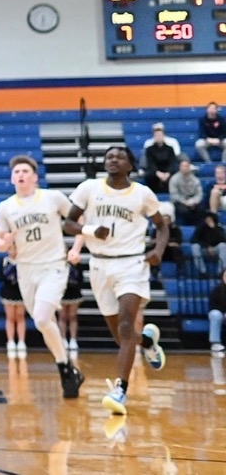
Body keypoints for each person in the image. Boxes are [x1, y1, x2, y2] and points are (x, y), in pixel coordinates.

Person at [65, 144, 171, 416]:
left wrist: (158, 250)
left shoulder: (142, 194)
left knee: (125, 327)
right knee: (119, 335)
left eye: (119, 156)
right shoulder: (89, 188)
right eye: (109, 156)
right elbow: (68, 223)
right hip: (100, 265)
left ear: (130, 165)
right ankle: (146, 342)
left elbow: (161, 224)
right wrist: (90, 230)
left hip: (132, 263)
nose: (113, 160)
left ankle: (120, 390)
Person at [140, 123, 180, 194]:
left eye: (160, 135)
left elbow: (172, 162)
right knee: (149, 176)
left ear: (163, 136)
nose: (158, 137)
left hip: (167, 169)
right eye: (156, 136)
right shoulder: (150, 149)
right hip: (155, 170)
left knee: (175, 175)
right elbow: (150, 162)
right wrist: (157, 173)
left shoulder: (170, 148)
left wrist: (168, 173)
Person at [0, 257, 24, 355]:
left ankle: (21, 342)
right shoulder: (4, 261)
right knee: (10, 317)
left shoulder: (24, 260)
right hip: (8, 291)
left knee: (20, 317)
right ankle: (10, 341)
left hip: (21, 291)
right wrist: (10, 275)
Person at [168, 159, 205, 226]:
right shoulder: (174, 179)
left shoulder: (195, 180)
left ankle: (197, 228)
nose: (184, 168)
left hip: (192, 200)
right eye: (182, 166)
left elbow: (199, 194)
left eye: (186, 166)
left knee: (201, 208)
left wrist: (194, 201)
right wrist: (184, 201)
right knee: (184, 210)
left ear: (189, 167)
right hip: (179, 201)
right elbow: (174, 194)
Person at [59, 260, 84, 355]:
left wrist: (77, 286)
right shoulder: (59, 264)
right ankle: (63, 339)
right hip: (62, 293)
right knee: (62, 316)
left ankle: (73, 340)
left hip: (74, 293)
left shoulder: (78, 264)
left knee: (73, 316)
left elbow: (81, 279)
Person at [191, 211, 226, 276]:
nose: (208, 221)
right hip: (204, 250)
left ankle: (221, 272)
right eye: (207, 219)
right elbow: (193, 239)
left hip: (216, 250)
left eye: (210, 219)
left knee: (223, 246)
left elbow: (223, 240)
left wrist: (214, 228)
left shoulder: (219, 228)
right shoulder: (201, 228)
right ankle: (202, 271)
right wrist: (207, 246)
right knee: (195, 246)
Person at [207, 267, 226, 355]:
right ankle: (215, 343)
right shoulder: (217, 289)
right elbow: (212, 305)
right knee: (215, 314)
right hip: (218, 312)